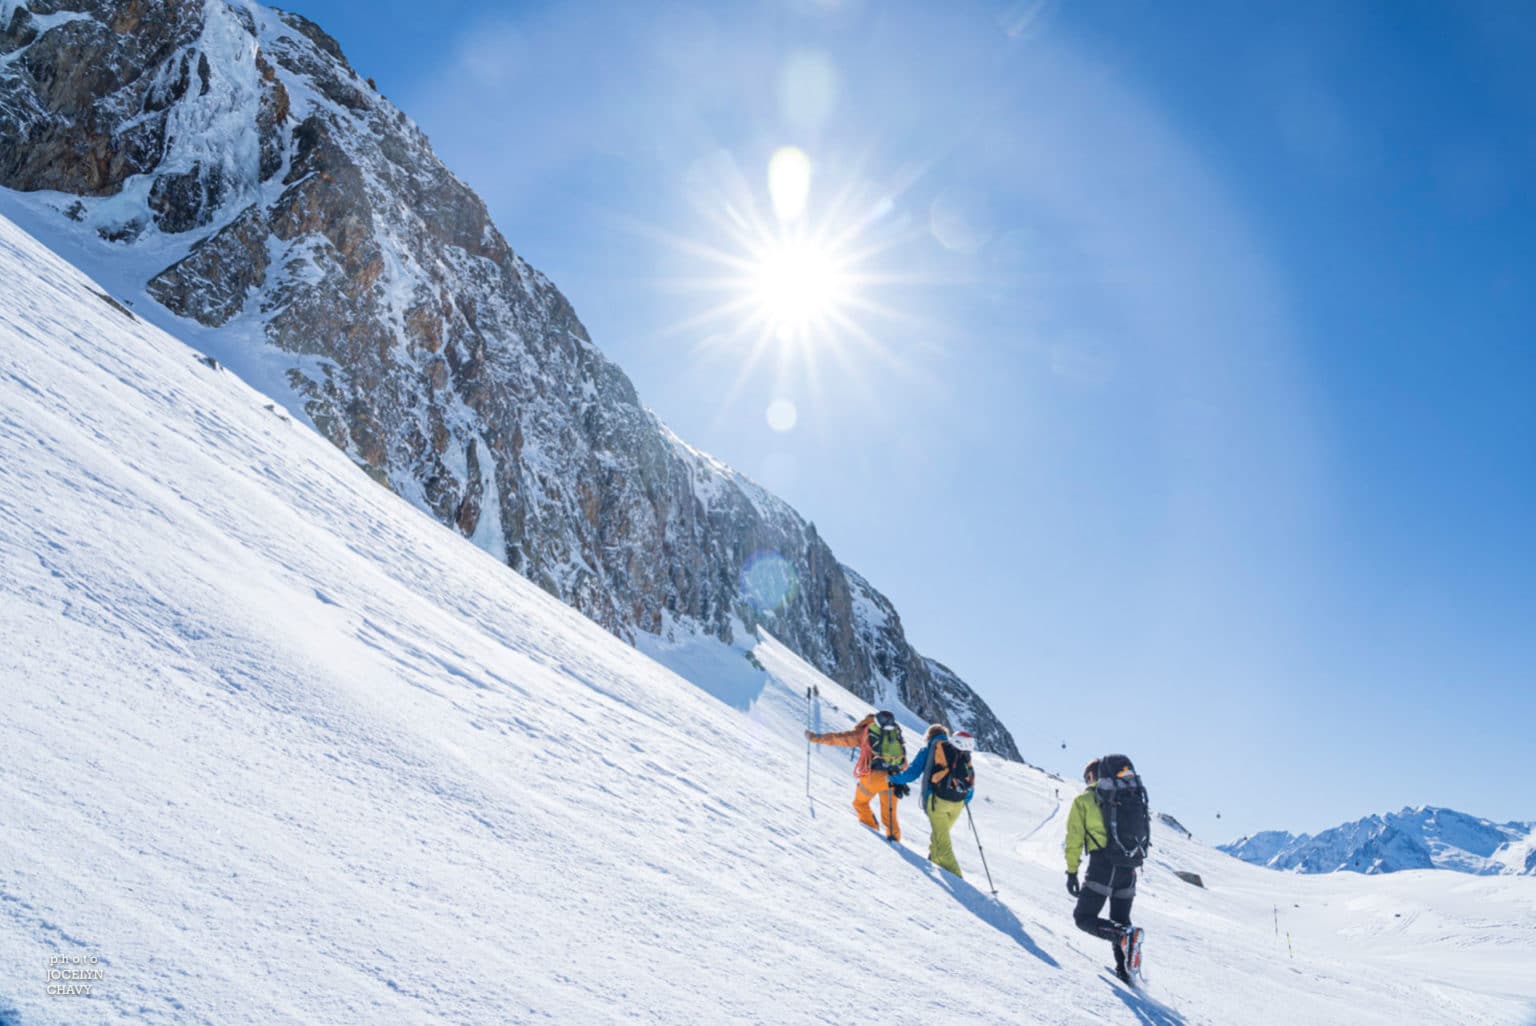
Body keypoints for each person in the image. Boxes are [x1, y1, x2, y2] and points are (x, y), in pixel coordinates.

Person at [1065, 757, 1149, 983]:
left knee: (1083, 917)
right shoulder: (1127, 796)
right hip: (1129, 866)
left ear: (1092, 776)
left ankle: (1123, 937)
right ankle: (1125, 971)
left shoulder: (1084, 800)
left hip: (1103, 865)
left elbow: (1074, 839)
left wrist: (1072, 872)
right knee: (1120, 918)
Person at [888, 725, 976, 878]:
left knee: (942, 843)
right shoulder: (959, 750)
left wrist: (892, 778)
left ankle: (959, 880)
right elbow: (968, 777)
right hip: (958, 803)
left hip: (938, 802)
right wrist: (964, 799)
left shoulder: (930, 750)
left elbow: (912, 773)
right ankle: (935, 862)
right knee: (939, 837)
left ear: (929, 736)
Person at [805, 710, 907, 841]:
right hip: (894, 778)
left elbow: (839, 738)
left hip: (873, 778)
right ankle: (895, 841)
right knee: (890, 815)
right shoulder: (894, 733)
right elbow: (903, 761)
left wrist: (814, 738)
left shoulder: (865, 731)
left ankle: (872, 832)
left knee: (860, 803)